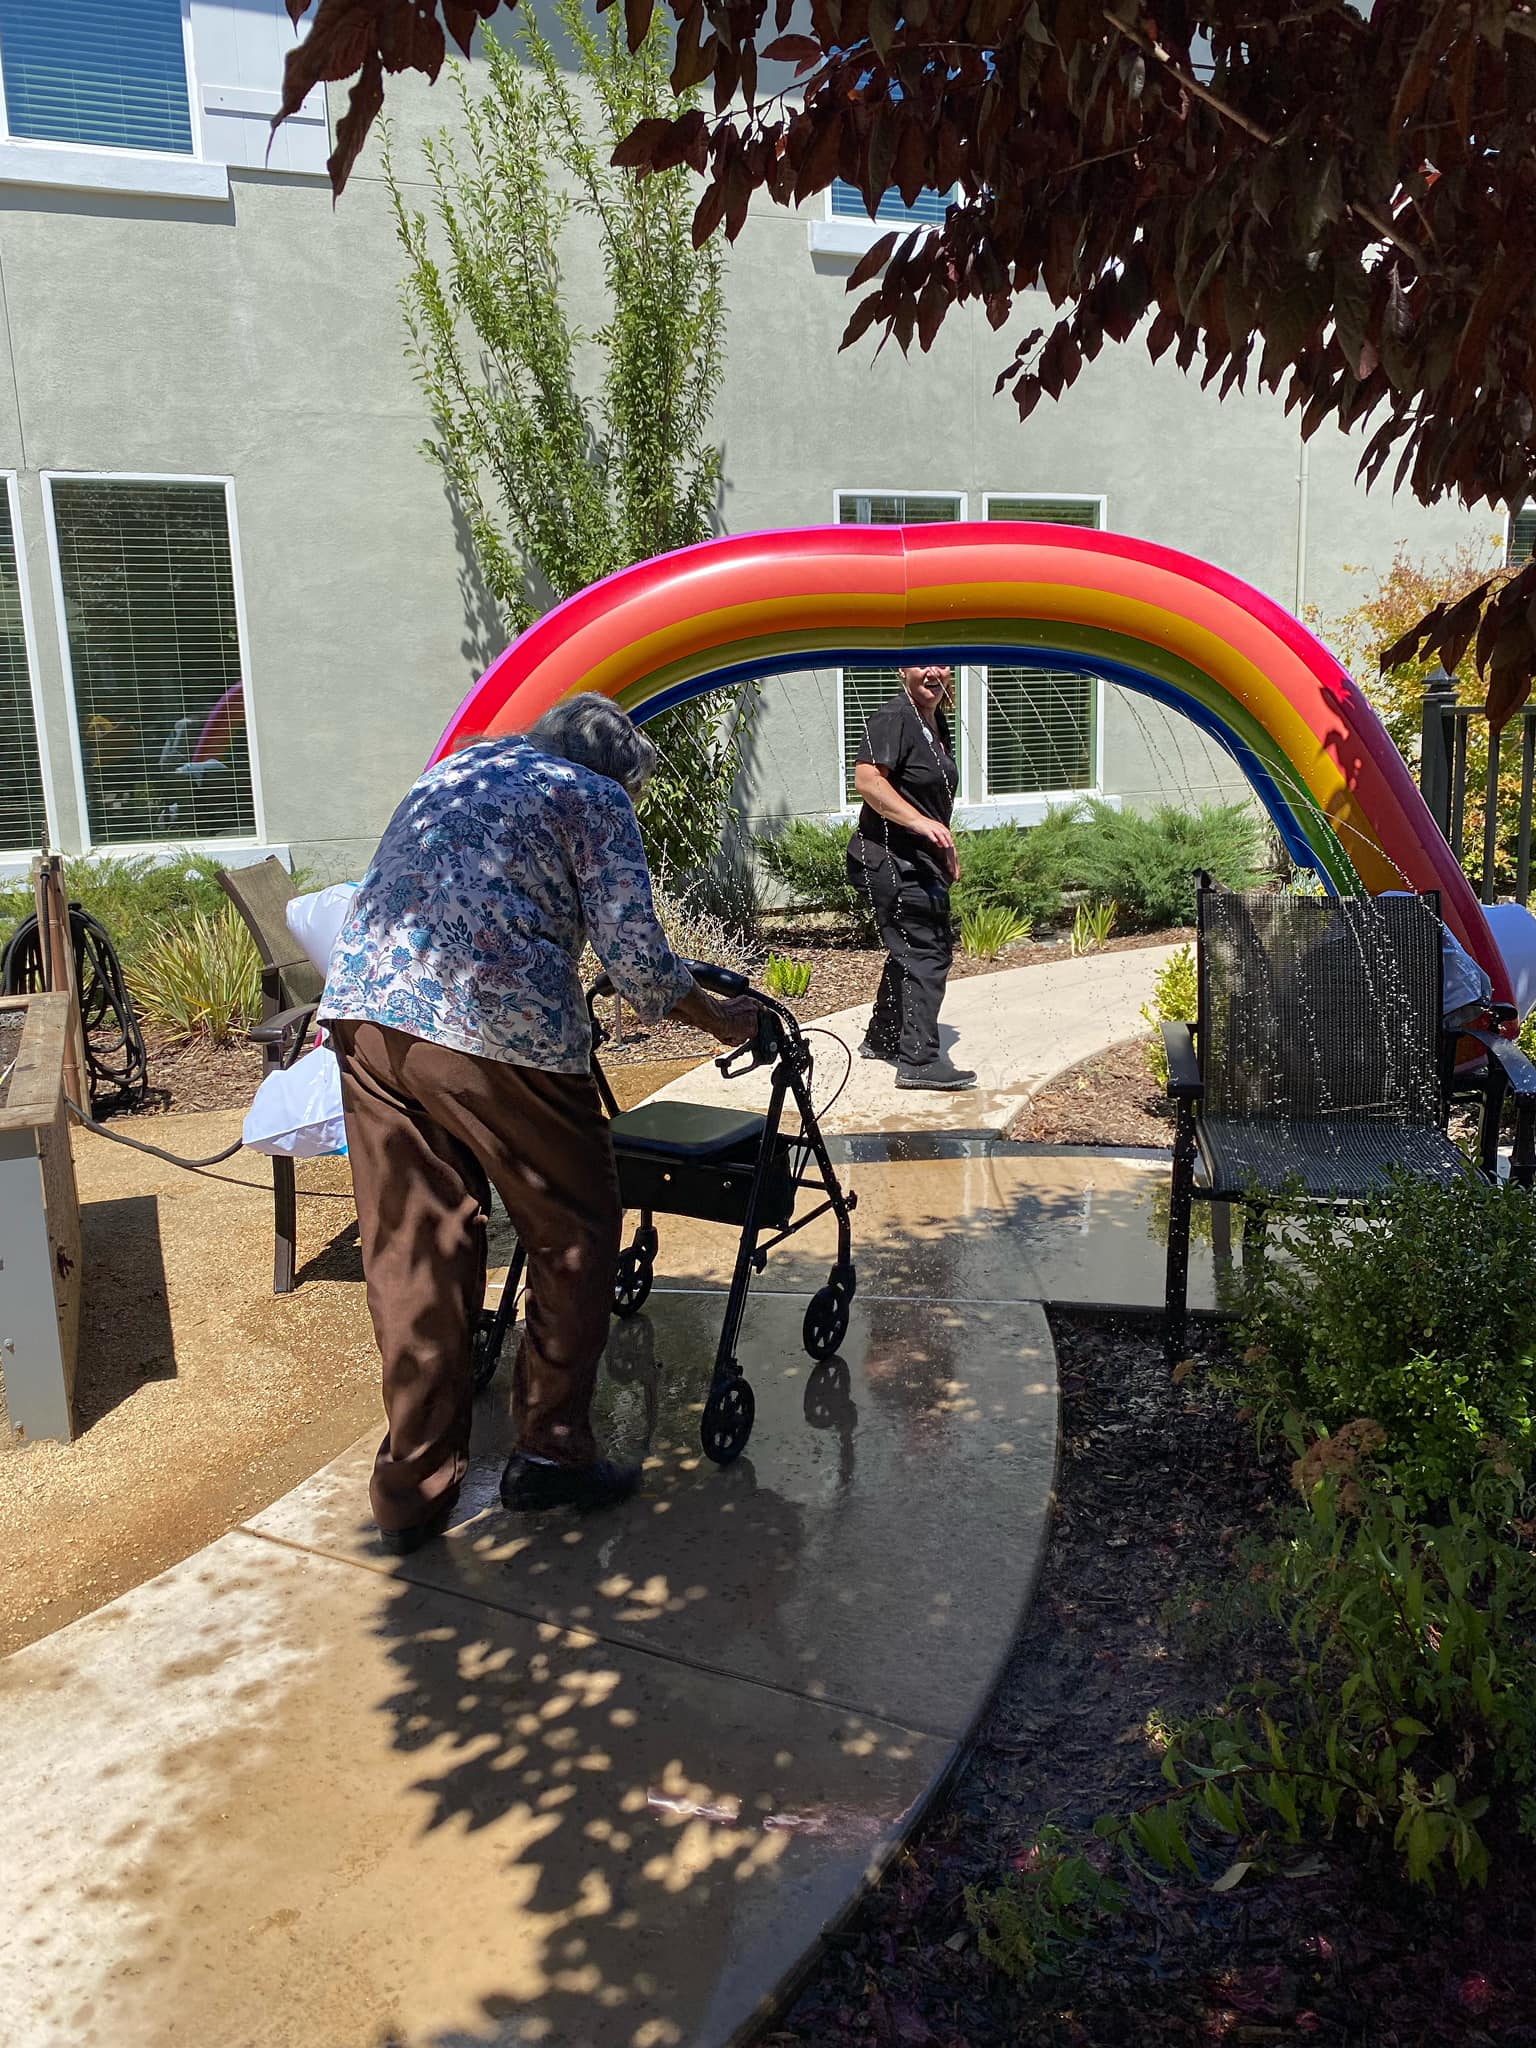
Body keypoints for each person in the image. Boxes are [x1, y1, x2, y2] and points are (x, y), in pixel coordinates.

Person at [319, 694, 757, 1555]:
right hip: (496, 1030)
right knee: (574, 1231)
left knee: (415, 1249)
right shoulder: (593, 799)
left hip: (368, 1020)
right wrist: (720, 1019)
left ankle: (412, 1488)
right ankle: (551, 1453)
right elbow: (635, 963)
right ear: (616, 770)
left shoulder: (455, 770)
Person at [845, 663, 977, 1090]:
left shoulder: (933, 719)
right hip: (890, 858)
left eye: (942, 664)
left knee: (910, 948)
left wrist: (943, 842)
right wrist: (923, 825)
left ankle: (883, 1038)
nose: (934, 672)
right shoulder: (895, 717)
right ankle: (918, 1061)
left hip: (916, 859)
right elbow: (868, 782)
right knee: (928, 952)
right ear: (904, 670)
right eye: (924, 664)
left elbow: (931, 795)